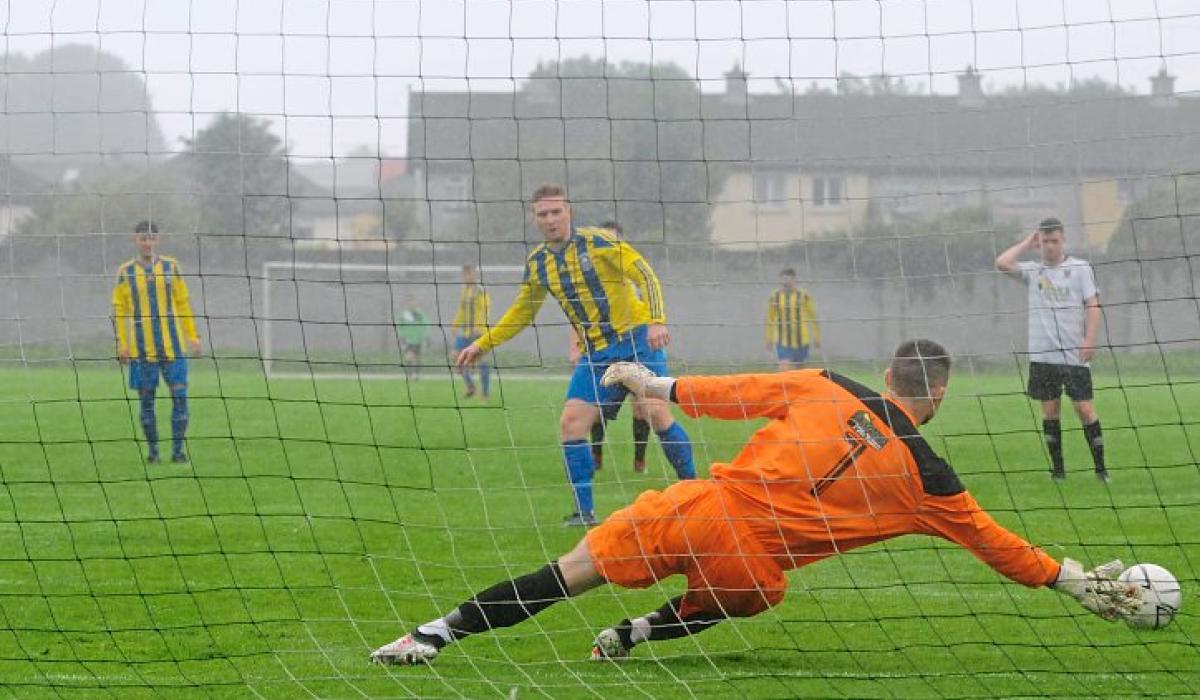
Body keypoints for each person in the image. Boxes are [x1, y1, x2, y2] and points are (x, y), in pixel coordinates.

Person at [371, 339, 1141, 666]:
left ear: (886, 371)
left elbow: (731, 393)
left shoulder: (824, 382)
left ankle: (431, 637)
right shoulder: (932, 479)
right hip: (749, 564)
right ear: (936, 394)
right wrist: (1075, 581)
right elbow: (998, 545)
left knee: (568, 570)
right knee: (749, 595)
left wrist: (652, 384)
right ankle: (636, 634)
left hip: (699, 508)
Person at [455, 185, 695, 526]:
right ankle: (584, 513)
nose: (550, 220)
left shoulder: (599, 242)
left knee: (656, 413)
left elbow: (645, 274)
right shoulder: (539, 263)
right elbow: (522, 312)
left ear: (569, 211)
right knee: (571, 424)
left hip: (638, 343)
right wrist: (483, 343)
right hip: (596, 355)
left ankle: (695, 490)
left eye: (556, 212)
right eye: (543, 214)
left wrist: (656, 320)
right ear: (534, 218)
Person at [995, 217, 1107, 481]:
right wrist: (1026, 242)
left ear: (1063, 240)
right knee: (1050, 411)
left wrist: (1090, 339)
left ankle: (1101, 469)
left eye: (1054, 241)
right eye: (1044, 241)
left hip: (1074, 355)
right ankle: (1058, 471)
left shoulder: (1080, 268)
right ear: (1039, 242)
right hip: (1042, 357)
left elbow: (1093, 305)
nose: (1050, 247)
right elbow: (1002, 263)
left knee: (1084, 410)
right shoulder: (1034, 272)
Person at [112, 220, 201, 464]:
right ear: (135, 240)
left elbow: (182, 302)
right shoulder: (125, 272)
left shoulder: (172, 267)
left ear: (158, 240)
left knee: (180, 398)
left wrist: (193, 336)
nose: (147, 242)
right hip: (142, 352)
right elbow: (119, 311)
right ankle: (153, 453)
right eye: (143, 238)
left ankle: (178, 451)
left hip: (173, 349)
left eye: (152, 238)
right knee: (146, 403)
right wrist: (122, 344)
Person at [568, 221, 654, 475]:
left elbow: (650, 311)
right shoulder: (589, 281)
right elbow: (577, 317)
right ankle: (596, 453)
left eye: (613, 240)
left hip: (636, 350)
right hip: (603, 353)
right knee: (597, 408)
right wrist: (575, 349)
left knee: (642, 406)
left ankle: (640, 460)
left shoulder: (635, 276)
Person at [765, 268, 820, 370]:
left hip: (802, 340)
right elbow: (770, 319)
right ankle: (782, 385)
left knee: (800, 370)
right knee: (783, 367)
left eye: (788, 279)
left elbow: (813, 317)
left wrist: (816, 337)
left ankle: (799, 385)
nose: (786, 282)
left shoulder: (804, 295)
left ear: (794, 279)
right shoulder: (775, 296)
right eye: (783, 280)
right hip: (783, 340)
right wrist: (769, 338)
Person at [451, 265, 491, 399]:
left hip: (479, 332)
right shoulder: (464, 290)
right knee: (456, 356)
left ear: (475, 274)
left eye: (470, 274)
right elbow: (461, 310)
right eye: (465, 274)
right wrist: (455, 325)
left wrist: (478, 325)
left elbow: (484, 308)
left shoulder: (480, 290)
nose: (468, 276)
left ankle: (485, 393)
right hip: (466, 332)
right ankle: (471, 385)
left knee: (482, 361)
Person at [395, 298, 430, 382]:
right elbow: (399, 326)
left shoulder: (420, 314)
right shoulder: (403, 315)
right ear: (406, 304)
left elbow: (426, 324)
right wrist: (402, 336)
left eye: (413, 303)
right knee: (409, 357)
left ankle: (416, 374)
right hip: (408, 340)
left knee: (419, 358)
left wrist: (425, 336)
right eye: (410, 303)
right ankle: (410, 374)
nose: (412, 305)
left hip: (419, 339)